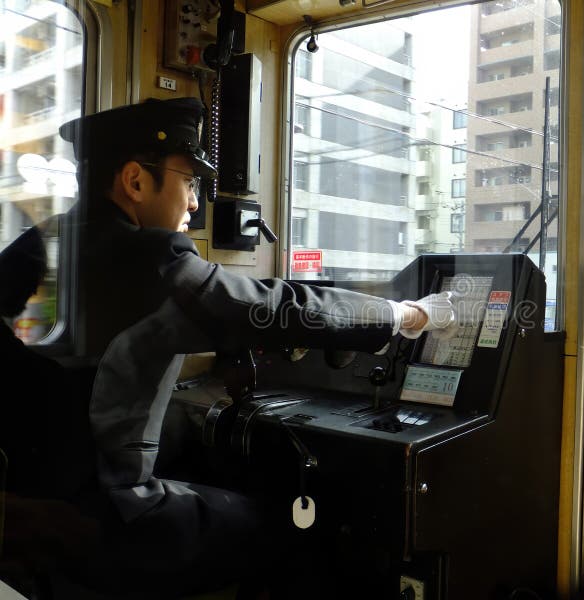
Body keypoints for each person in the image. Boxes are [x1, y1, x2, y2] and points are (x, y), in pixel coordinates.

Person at [43, 96, 458, 596]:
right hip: (108, 515)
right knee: (291, 524)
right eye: (188, 182)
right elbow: (276, 307)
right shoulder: (152, 259)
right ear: (135, 181)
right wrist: (405, 315)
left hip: (32, 505)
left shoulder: (39, 244)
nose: (195, 203)